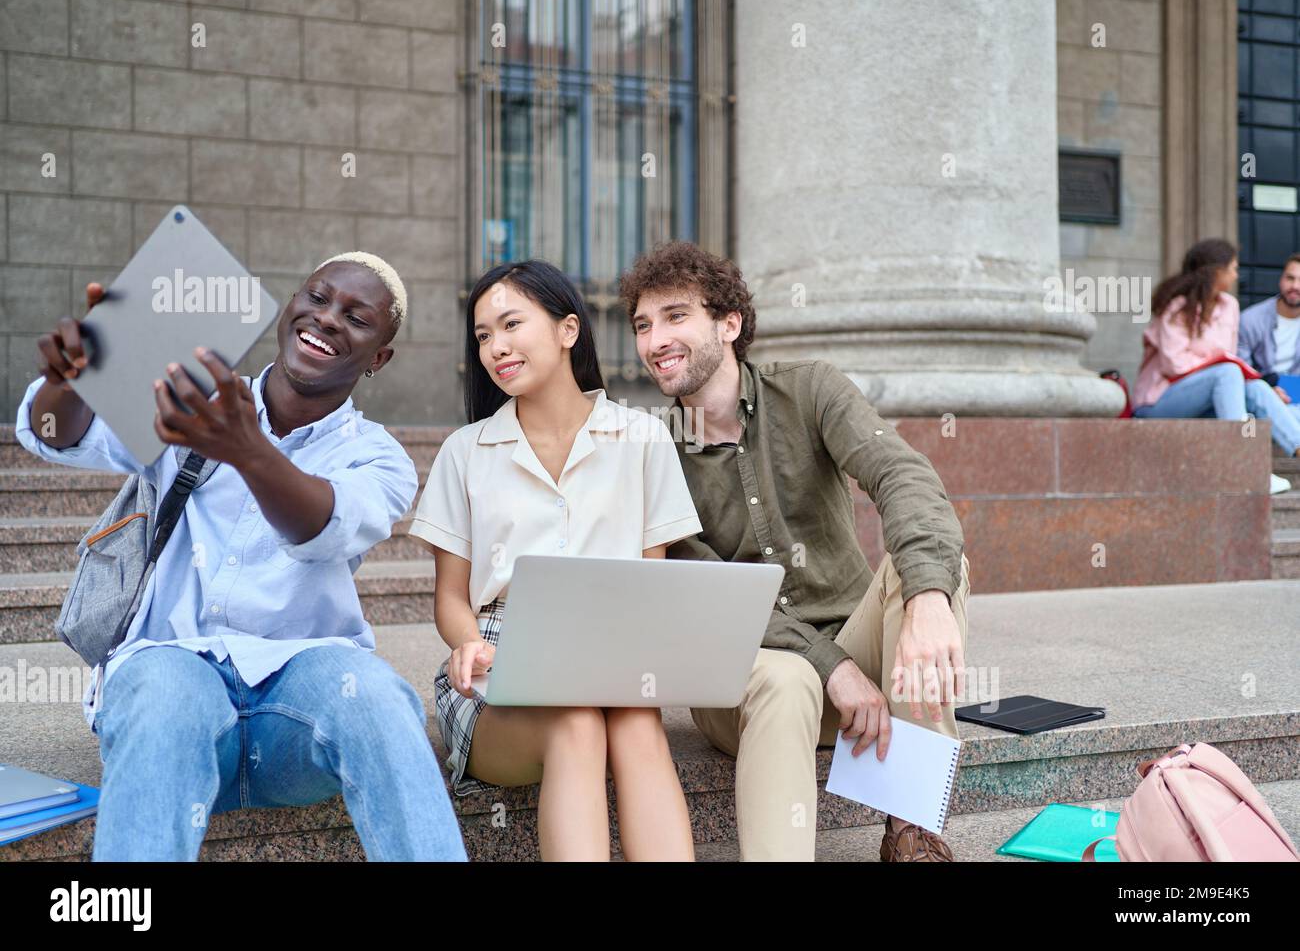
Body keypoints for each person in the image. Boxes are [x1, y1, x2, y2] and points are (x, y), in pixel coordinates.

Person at [16, 252, 467, 861]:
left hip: (297, 715)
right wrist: (69, 381)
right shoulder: (190, 402)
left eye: (356, 318)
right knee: (161, 687)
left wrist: (248, 448)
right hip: (174, 682)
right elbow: (57, 434)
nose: (329, 318)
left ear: (378, 358)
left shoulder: (379, 457)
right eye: (318, 297)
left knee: (382, 698)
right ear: (290, 309)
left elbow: (319, 527)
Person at [619, 241, 972, 862]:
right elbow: (707, 589)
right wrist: (829, 666)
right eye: (643, 326)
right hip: (745, 681)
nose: (654, 341)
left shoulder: (811, 390)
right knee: (787, 679)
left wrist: (929, 599)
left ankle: (910, 831)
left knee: (932, 573)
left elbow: (901, 476)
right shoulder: (652, 448)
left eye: (675, 317)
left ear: (729, 325)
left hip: (858, 650)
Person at [409, 259, 703, 861]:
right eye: (484, 335)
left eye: (512, 324)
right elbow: (450, 597)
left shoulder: (642, 438)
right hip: (498, 658)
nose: (496, 347)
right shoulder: (466, 452)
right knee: (576, 720)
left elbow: (652, 584)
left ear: (568, 330)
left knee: (636, 721)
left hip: (612, 648)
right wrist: (469, 644)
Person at [1132, 238, 1300, 493]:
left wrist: (1246, 381)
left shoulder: (1229, 307)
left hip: (1207, 397)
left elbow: (1229, 361)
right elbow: (1174, 364)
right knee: (1229, 372)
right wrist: (1218, 365)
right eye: (1232, 268)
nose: (1236, 275)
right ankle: (1246, 470)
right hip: (1160, 401)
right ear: (1215, 271)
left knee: (1255, 389)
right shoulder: (1177, 306)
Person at [1238, 252, 1300, 429]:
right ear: (1281, 279)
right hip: (1261, 397)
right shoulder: (1251, 319)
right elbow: (1241, 372)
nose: (1295, 286)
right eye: (1290, 278)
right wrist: (1270, 393)